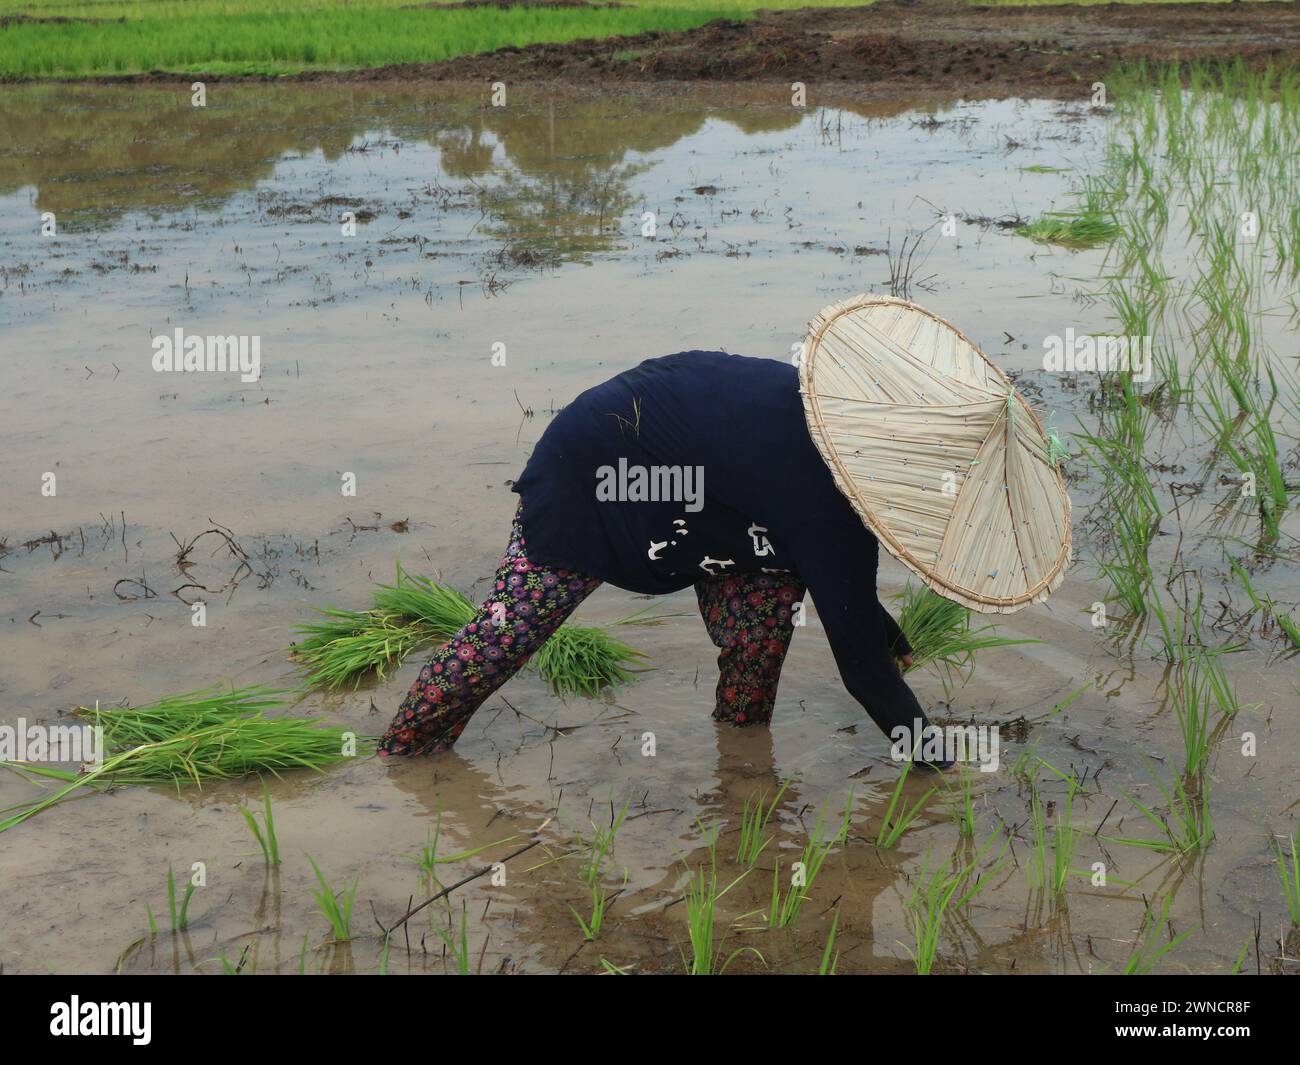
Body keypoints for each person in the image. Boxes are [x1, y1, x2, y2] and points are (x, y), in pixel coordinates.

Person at [377, 349, 948, 765]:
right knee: (510, 631)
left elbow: (838, 582)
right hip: (601, 469)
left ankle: (742, 759)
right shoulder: (826, 499)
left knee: (760, 631)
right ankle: (403, 755)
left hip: (723, 504)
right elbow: (862, 670)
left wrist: (883, 635)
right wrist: (937, 761)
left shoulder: (840, 449)